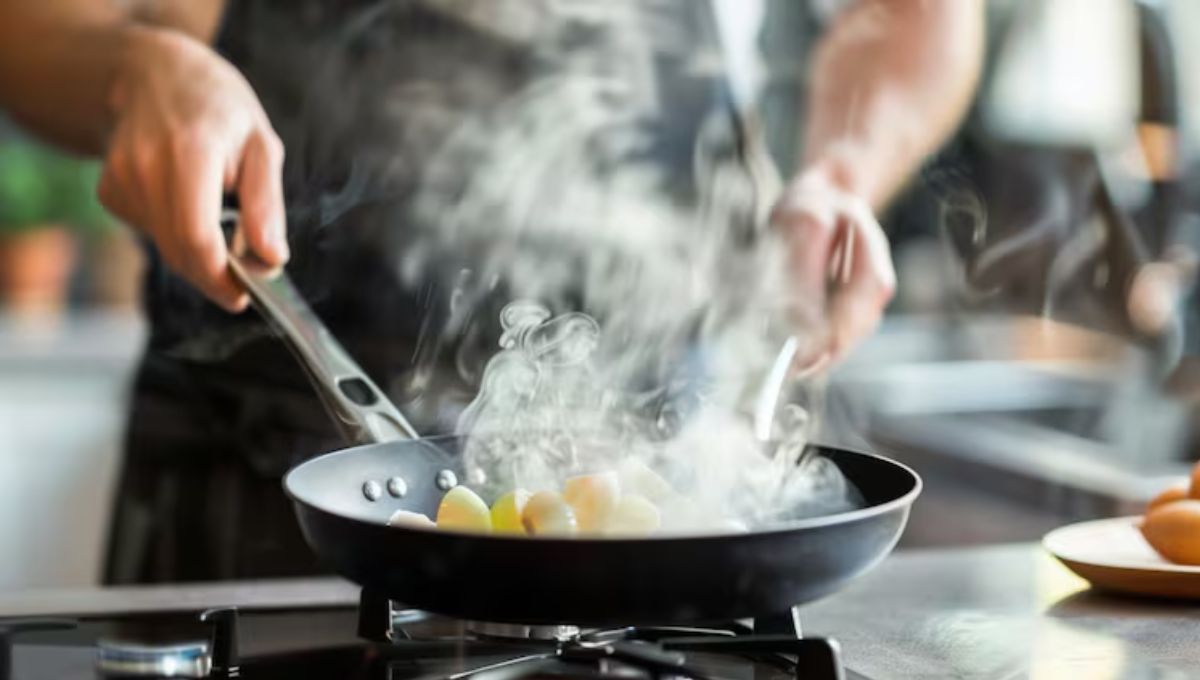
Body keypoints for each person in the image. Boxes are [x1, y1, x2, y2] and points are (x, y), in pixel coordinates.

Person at [0, 0, 984, 582]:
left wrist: (842, 171)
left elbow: (920, 13)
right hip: (258, 469)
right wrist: (136, 70)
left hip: (668, 473)